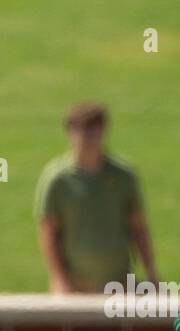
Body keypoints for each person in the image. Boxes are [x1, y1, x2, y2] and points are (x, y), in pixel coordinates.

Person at [35, 102, 157, 293]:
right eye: (81, 131)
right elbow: (49, 233)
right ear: (70, 133)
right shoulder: (57, 179)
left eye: (94, 131)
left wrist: (151, 273)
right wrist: (59, 279)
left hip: (119, 285)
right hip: (74, 286)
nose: (88, 139)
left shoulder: (123, 176)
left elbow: (138, 227)